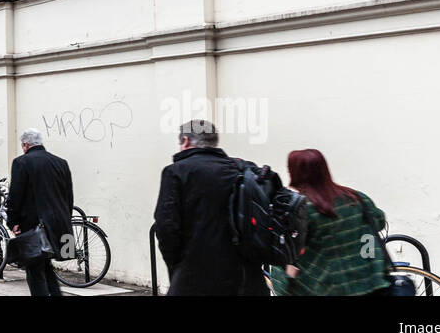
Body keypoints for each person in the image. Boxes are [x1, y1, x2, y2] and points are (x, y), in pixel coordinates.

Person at [153, 119, 268, 296]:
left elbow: (166, 227)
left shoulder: (176, 172)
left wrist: (178, 266)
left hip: (196, 276)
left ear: (185, 141)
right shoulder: (243, 168)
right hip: (246, 278)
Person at [270, 149, 392, 296]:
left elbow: (285, 252)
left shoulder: (301, 209)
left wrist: (281, 285)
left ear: (293, 173)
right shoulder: (356, 198)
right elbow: (379, 222)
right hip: (370, 281)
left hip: (327, 287)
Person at [5, 128, 73, 297]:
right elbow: (68, 196)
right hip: (59, 224)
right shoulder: (61, 162)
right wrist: (66, 217)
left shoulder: (21, 162)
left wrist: (12, 221)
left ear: (25, 145)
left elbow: (15, 195)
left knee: (34, 271)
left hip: (34, 225)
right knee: (45, 266)